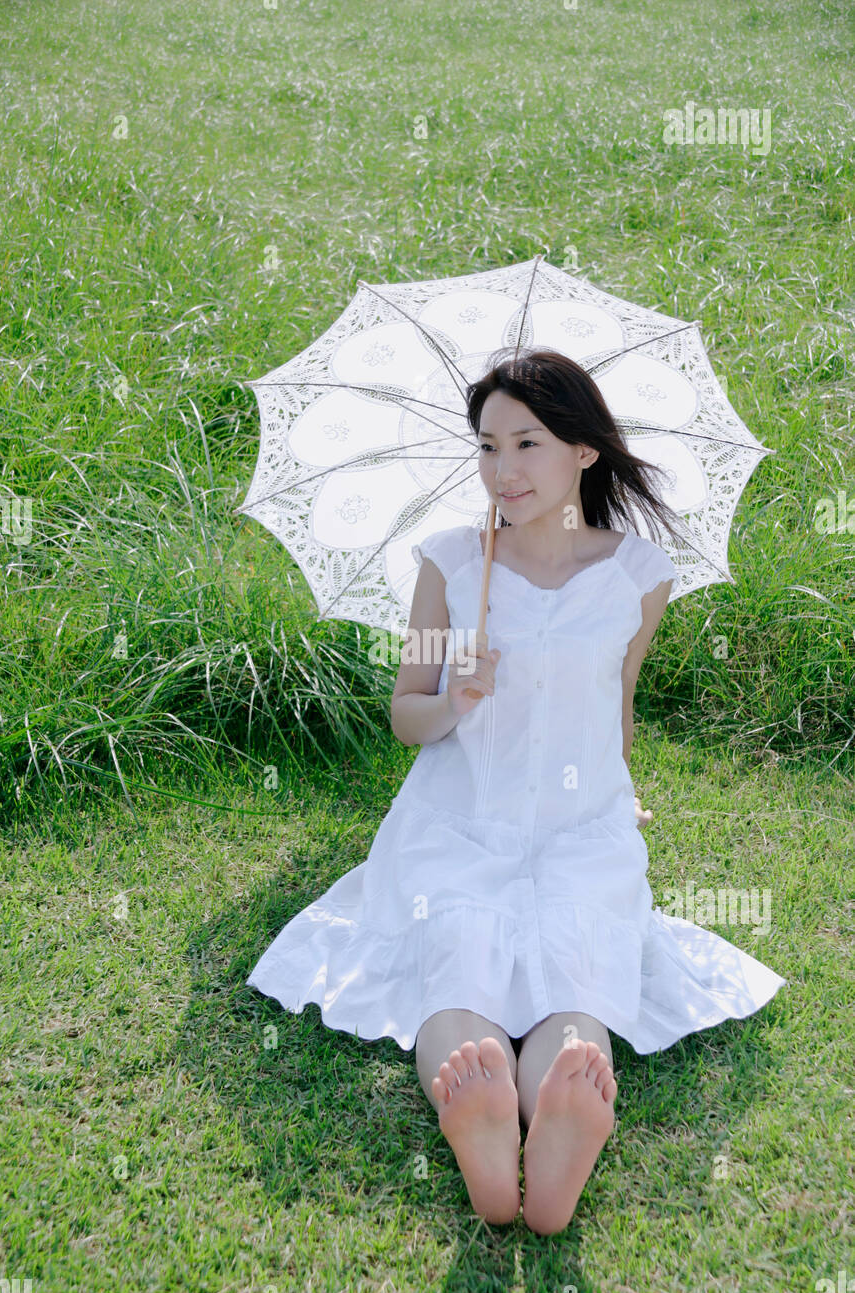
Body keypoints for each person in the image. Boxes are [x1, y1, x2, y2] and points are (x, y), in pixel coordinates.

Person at [246, 347, 787, 1234]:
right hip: (460, 819)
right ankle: (483, 1121)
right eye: (488, 447)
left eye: (527, 445)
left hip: (583, 827)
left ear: (584, 450)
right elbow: (405, 715)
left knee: (577, 975)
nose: (503, 470)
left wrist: (622, 795)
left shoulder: (638, 574)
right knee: (458, 956)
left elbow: (616, 708)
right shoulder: (456, 561)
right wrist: (454, 699)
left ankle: (566, 1112)